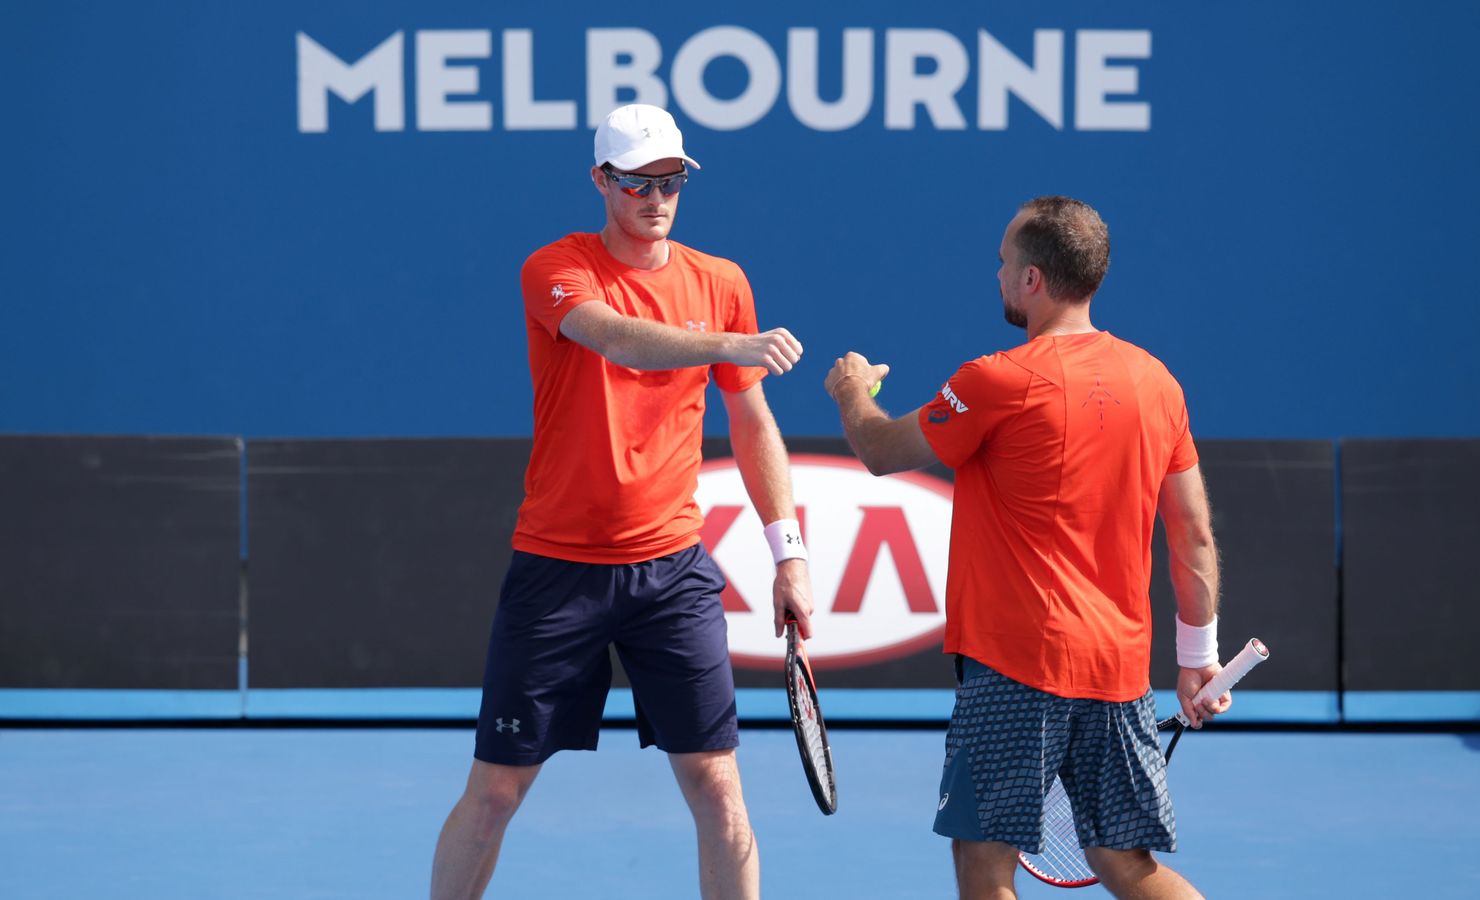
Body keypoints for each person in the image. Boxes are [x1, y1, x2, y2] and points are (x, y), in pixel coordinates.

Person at [430, 104, 815, 900]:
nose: (656, 197)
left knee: (719, 788)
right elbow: (616, 338)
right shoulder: (555, 267)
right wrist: (725, 343)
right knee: (497, 791)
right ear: (601, 182)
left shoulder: (722, 281)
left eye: (670, 180)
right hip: (557, 572)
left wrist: (789, 553)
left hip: (671, 575)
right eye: (637, 182)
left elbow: (751, 422)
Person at [822, 196, 1227, 900]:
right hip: (1119, 669)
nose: (999, 274)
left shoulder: (996, 380)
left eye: (1005, 262)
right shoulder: (1158, 383)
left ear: (1033, 279)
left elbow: (881, 451)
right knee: (1125, 864)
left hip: (1017, 667)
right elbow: (1191, 533)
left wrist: (852, 392)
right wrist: (1196, 659)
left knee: (985, 868)